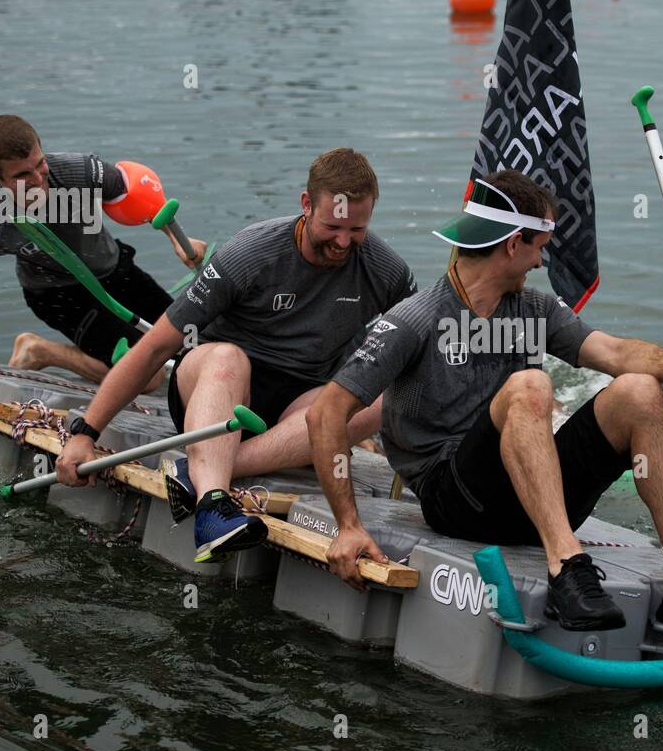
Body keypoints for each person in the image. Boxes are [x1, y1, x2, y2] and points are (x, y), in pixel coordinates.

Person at [306, 170, 663, 636]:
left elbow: (613, 353)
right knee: (531, 385)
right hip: (458, 501)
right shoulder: (414, 319)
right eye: (539, 247)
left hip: (534, 496)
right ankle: (566, 568)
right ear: (512, 244)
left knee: (640, 390)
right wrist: (349, 526)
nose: (542, 261)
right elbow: (326, 413)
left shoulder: (536, 309)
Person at [55, 148, 417, 564]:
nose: (343, 242)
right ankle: (212, 508)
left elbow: (421, 353)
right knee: (229, 358)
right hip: (213, 391)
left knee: (388, 392)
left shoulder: (386, 271)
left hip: (298, 406)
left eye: (357, 229)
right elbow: (156, 346)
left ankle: (201, 469)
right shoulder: (252, 252)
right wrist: (85, 433)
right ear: (306, 204)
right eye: (332, 226)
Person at [0, 115, 204, 395]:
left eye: (40, 164)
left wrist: (178, 240)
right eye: (22, 175)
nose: (39, 180)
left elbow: (141, 197)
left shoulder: (80, 170)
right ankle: (39, 351)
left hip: (114, 270)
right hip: (58, 294)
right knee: (147, 378)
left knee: (191, 339)